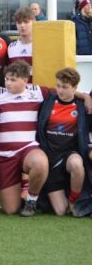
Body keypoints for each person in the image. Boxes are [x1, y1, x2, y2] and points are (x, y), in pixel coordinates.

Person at [0, 61, 49, 216]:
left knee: (41, 163)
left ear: (25, 80)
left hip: (27, 149)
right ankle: (23, 186)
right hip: (4, 155)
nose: (8, 83)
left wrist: (85, 97)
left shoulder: (37, 92)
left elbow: (64, 93)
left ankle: (31, 200)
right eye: (6, 79)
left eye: (13, 80)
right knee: (10, 209)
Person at [37, 68, 89, 217]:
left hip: (68, 155)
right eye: (58, 85)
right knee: (60, 211)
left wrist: (86, 98)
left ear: (75, 87)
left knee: (77, 164)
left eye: (65, 87)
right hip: (49, 157)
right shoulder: (48, 99)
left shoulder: (82, 106)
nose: (60, 90)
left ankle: (74, 200)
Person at [8, 7, 34, 74]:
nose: (22, 25)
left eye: (26, 22)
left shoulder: (42, 45)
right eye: (19, 23)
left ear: (34, 22)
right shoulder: (11, 47)